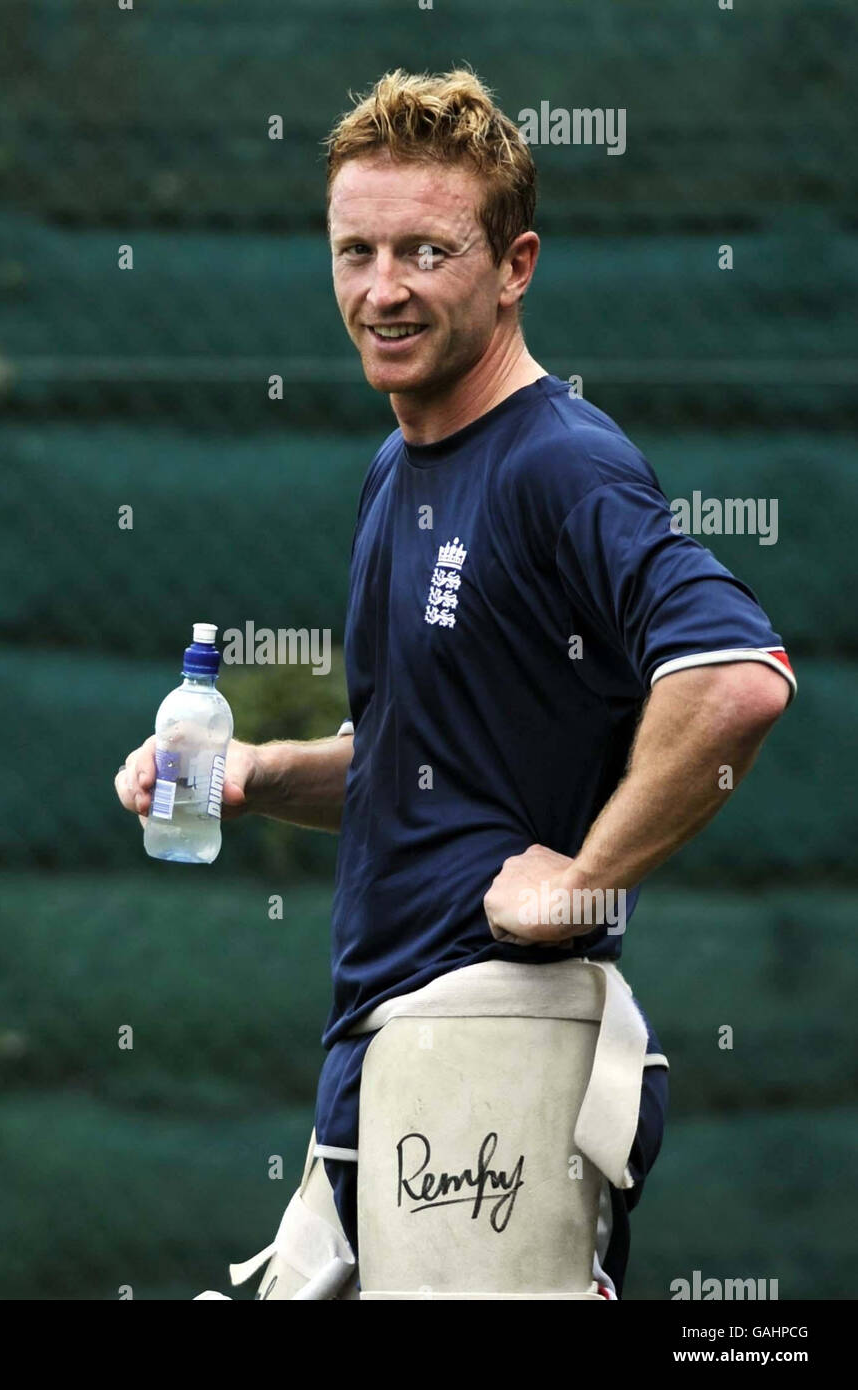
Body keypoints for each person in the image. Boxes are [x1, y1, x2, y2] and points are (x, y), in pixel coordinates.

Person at [115, 67, 794, 1298]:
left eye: (424, 252)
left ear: (514, 264)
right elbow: (425, 755)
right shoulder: (396, 464)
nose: (381, 290)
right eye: (354, 251)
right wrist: (253, 774)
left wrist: (586, 879)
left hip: (492, 1059)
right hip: (383, 1055)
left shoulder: (562, 464)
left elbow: (738, 677)